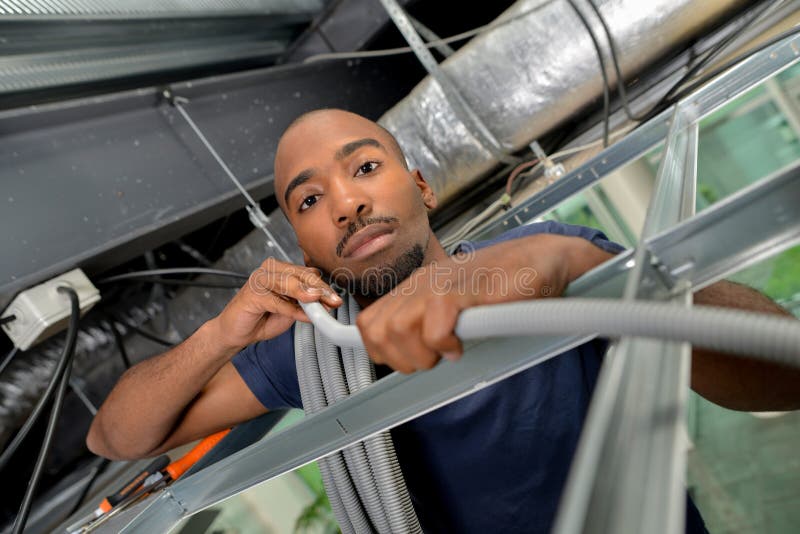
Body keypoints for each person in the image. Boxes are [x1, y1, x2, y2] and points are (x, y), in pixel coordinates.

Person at [87, 109, 799, 533]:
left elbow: (781, 374)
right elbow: (116, 436)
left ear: (421, 186)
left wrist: (570, 261)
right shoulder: (317, 348)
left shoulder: (541, 262)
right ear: (303, 248)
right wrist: (221, 333)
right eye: (309, 203)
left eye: (364, 167)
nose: (345, 204)